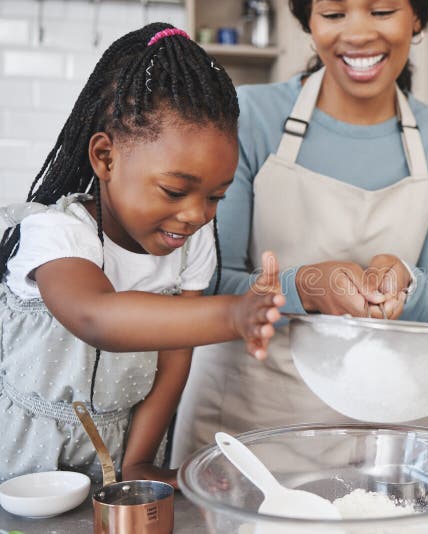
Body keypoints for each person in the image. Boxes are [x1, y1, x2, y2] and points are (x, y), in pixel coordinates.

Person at [172, 0, 428, 463]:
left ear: (417, 18)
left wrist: (406, 283)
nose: (357, 33)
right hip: (249, 423)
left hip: (375, 429)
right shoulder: (249, 116)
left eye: (382, 10)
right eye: (333, 14)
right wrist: (307, 287)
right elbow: (209, 286)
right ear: (308, 23)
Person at [0, 23, 284, 487]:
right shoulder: (56, 234)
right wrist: (234, 313)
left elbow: (175, 358)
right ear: (105, 158)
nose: (195, 215)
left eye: (216, 197)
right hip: (22, 455)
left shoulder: (189, 249)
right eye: (175, 190)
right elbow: (99, 318)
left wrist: (138, 462)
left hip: (112, 454)